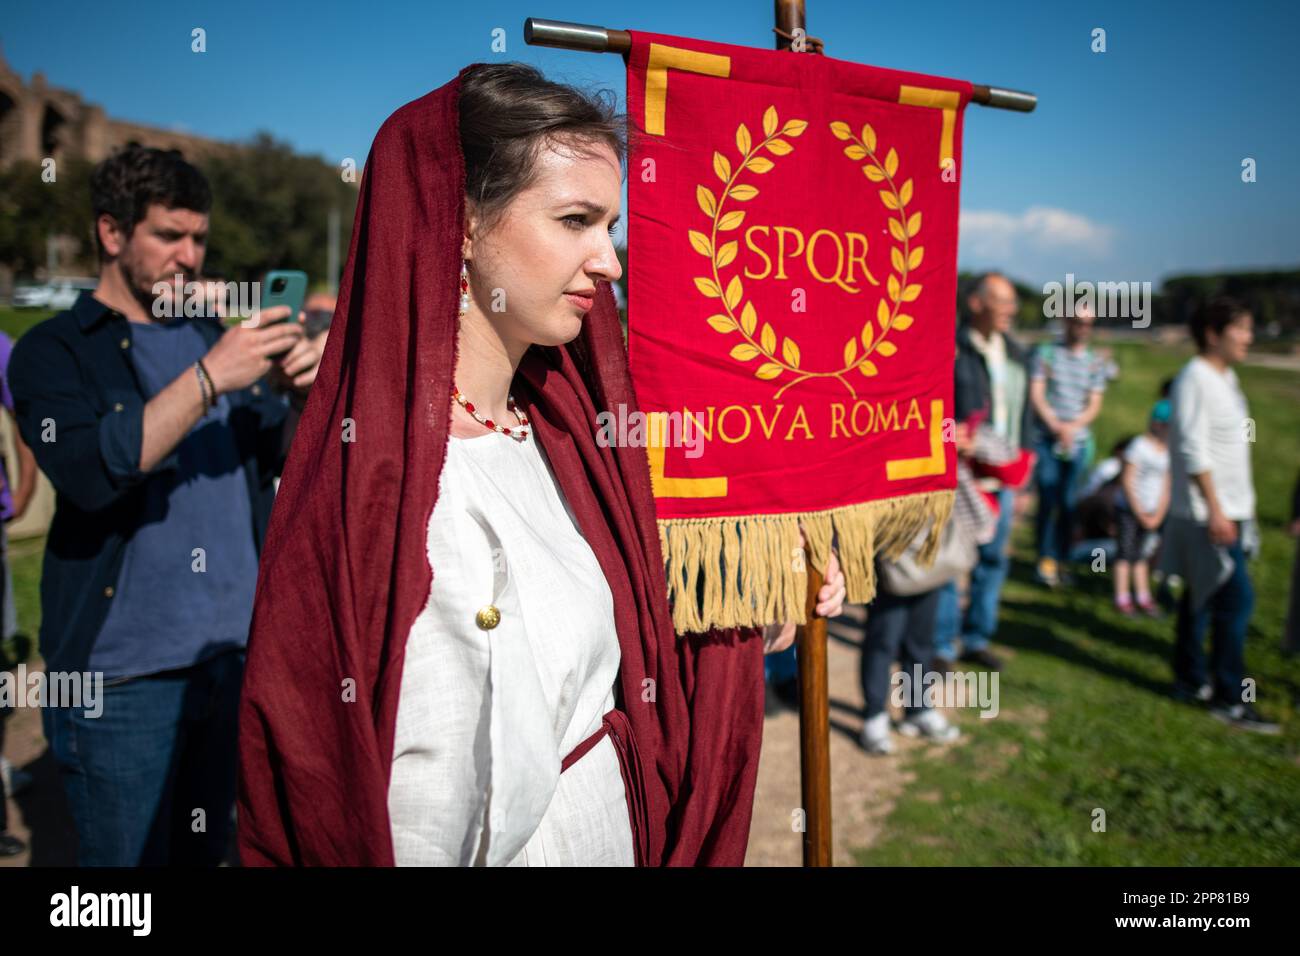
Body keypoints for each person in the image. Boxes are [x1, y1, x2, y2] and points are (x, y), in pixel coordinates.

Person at [235, 63, 845, 867]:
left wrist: (758, 580)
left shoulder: (573, 444)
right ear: (457, 222)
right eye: (575, 220)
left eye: (611, 228)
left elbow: (633, 645)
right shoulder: (376, 491)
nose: (609, 261)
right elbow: (369, 787)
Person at [9, 144, 327, 865]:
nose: (189, 256)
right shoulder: (54, 351)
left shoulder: (220, 339)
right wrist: (211, 379)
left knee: (207, 854)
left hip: (234, 657)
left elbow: (286, 463)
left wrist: (302, 396)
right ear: (112, 234)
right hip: (121, 677)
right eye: (168, 236)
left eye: (199, 238)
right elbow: (91, 473)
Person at [1162, 298, 1277, 733]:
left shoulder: (1225, 378)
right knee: (1236, 600)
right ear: (1213, 333)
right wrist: (1215, 509)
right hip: (1210, 514)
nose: (1249, 337)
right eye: (1242, 329)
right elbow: (1192, 447)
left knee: (1201, 597)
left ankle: (1189, 679)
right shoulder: (1195, 378)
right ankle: (1230, 696)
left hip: (1230, 508)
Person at [932, 272, 1031, 673]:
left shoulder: (1017, 354)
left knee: (993, 561)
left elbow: (1024, 414)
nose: (1011, 310)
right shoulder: (950, 349)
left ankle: (977, 638)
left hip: (1003, 476)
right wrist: (953, 436)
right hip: (963, 477)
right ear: (976, 303)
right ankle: (941, 644)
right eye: (1003, 301)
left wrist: (1025, 470)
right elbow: (936, 408)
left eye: (1012, 302)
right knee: (951, 561)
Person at [1028, 303, 1108, 587]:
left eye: (1088, 323)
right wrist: (1056, 425)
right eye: (1077, 322)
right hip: (1047, 440)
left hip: (1077, 443)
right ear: (1066, 321)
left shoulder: (1096, 362)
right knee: (1048, 500)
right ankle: (1045, 559)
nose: (1082, 328)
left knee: (1069, 503)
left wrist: (1072, 429)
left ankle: (1062, 559)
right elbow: (1037, 395)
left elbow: (1094, 404)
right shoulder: (1046, 354)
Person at [1113, 400, 1171, 616]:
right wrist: (1138, 511)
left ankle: (1143, 597)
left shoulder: (1167, 452)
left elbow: (1167, 485)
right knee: (1125, 553)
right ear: (1157, 424)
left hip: (1151, 512)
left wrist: (1157, 514)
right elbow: (1127, 480)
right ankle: (1121, 597)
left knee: (1141, 555)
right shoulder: (1138, 446)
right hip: (1129, 509)